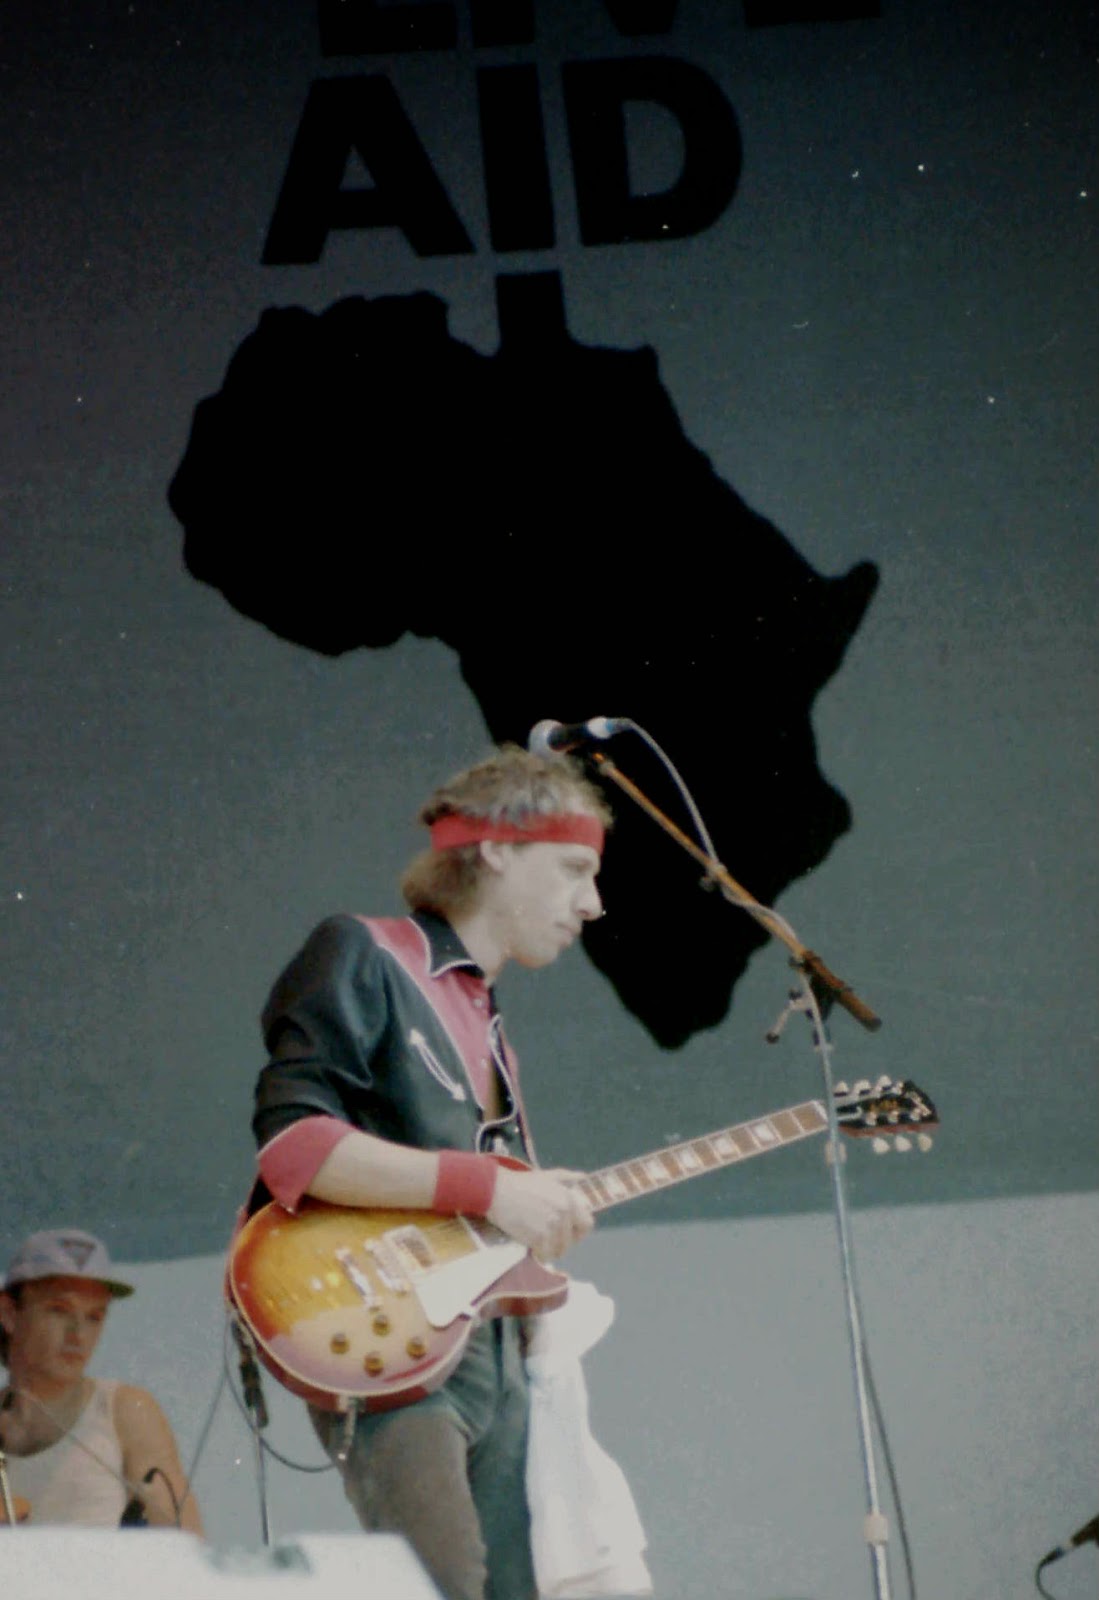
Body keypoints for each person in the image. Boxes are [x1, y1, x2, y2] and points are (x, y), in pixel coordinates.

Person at [249, 745, 611, 1600]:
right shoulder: (366, 952)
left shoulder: (488, 1026)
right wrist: (493, 1189)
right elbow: (293, 1148)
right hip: (384, 1332)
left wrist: (535, 1215)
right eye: (572, 869)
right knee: (442, 1586)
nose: (591, 904)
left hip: (490, 1343)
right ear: (494, 849)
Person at [0, 1228, 203, 1534]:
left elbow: (183, 1544)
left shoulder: (122, 1409)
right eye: (59, 1310)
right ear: (9, 1313)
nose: (78, 1335)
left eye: (94, 1317)